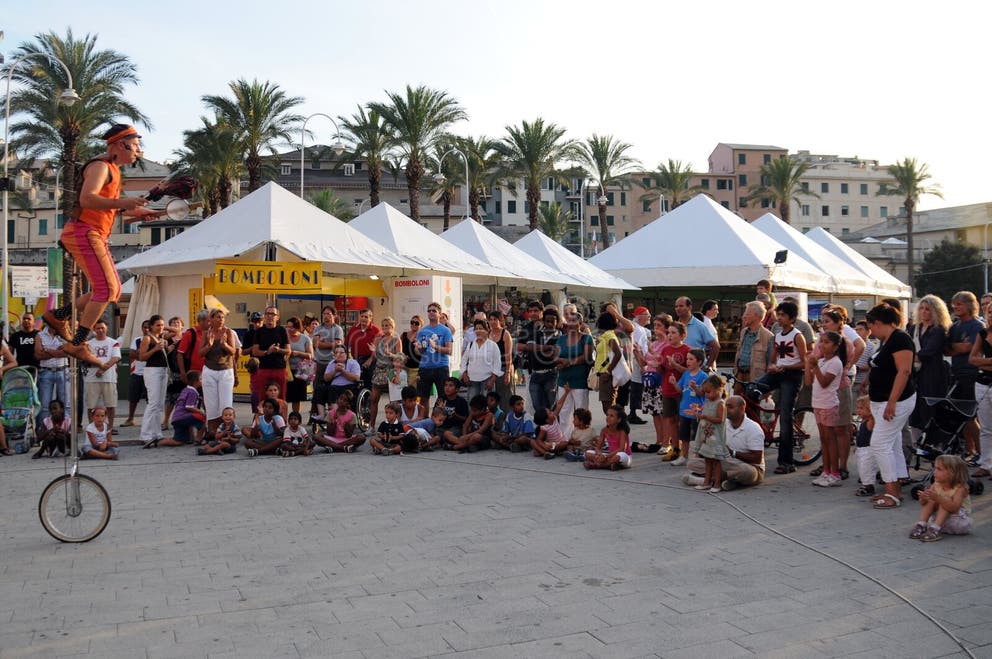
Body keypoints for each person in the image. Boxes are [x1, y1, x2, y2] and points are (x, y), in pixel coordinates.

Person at [44, 125, 154, 367]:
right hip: (86, 232)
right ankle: (78, 342)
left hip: (91, 233)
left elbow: (108, 205)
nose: (138, 150)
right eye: (135, 145)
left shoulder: (112, 169)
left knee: (111, 291)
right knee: (105, 289)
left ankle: (59, 315)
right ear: (120, 144)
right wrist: (124, 201)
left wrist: (138, 212)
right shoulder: (101, 166)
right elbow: (87, 198)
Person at [865, 303, 916, 510]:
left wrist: (892, 402)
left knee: (879, 443)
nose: (871, 330)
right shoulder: (886, 341)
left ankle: (892, 492)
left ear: (878, 323)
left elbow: (903, 372)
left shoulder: (901, 339)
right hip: (882, 399)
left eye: (872, 326)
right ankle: (896, 483)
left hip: (895, 400)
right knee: (891, 443)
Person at [753, 301, 808, 474]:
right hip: (778, 372)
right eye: (779, 314)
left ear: (791, 318)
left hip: (791, 376)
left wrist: (786, 367)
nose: (779, 317)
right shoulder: (777, 334)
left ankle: (786, 461)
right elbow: (774, 356)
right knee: (752, 389)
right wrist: (771, 366)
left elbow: (804, 362)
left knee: (786, 416)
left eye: (783, 315)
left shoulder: (797, 336)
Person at [683, 395, 765, 490]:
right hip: (726, 463)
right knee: (693, 463)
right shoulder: (723, 423)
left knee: (748, 472)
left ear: (742, 409)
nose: (726, 410)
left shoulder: (753, 428)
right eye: (725, 406)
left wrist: (732, 452)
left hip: (749, 466)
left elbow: (757, 459)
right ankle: (728, 481)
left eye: (730, 407)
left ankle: (707, 480)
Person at [806, 331, 847, 487]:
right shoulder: (821, 361)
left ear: (836, 347)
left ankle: (835, 473)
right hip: (817, 403)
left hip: (829, 404)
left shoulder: (836, 362)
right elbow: (809, 382)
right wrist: (808, 364)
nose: (822, 345)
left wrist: (815, 366)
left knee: (830, 439)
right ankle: (826, 471)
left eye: (826, 342)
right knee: (823, 439)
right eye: (821, 342)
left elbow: (824, 382)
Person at [910, 295, 950, 437]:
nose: (924, 312)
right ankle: (917, 440)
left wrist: (909, 357)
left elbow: (929, 352)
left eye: (928, 309)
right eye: (921, 308)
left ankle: (931, 441)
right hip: (915, 374)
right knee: (915, 409)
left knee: (930, 409)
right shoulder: (914, 328)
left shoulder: (938, 330)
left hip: (932, 373)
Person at [908, 455, 972, 541]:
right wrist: (924, 498)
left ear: (952, 473)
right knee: (931, 500)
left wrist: (938, 498)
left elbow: (954, 508)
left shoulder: (960, 488)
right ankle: (921, 525)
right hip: (938, 520)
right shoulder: (936, 484)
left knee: (945, 500)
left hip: (957, 522)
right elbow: (923, 504)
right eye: (935, 468)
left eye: (939, 469)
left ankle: (935, 529)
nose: (935, 472)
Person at [554, 312, 594, 440]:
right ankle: (565, 439)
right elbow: (555, 356)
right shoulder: (561, 339)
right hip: (563, 380)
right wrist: (559, 362)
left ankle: (583, 439)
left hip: (580, 380)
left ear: (580, 324)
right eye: (569, 321)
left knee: (581, 411)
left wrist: (568, 362)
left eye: (573, 321)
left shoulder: (586, 338)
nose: (570, 324)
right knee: (564, 411)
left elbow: (587, 357)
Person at [199, 308, 238, 436]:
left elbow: (233, 352)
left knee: (226, 403)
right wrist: (209, 346)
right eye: (218, 317)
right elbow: (200, 353)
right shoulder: (206, 333)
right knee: (211, 405)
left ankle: (226, 432)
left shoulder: (228, 332)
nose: (221, 320)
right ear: (211, 319)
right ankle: (212, 432)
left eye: (222, 317)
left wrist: (224, 345)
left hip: (226, 370)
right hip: (209, 370)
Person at [657, 322, 690, 461]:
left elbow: (689, 371)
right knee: (671, 421)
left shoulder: (687, 350)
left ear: (682, 335)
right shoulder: (665, 350)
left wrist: (675, 365)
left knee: (683, 421)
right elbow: (662, 370)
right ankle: (675, 448)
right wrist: (657, 364)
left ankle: (685, 450)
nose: (670, 335)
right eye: (668, 333)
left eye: (673, 333)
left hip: (681, 391)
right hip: (667, 390)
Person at [691, 373, 729, 492]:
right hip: (706, 436)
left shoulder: (720, 404)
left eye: (708, 392)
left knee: (716, 461)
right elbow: (703, 411)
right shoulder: (708, 401)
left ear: (718, 390)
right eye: (705, 392)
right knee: (707, 460)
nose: (706, 395)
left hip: (715, 437)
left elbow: (719, 419)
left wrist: (705, 416)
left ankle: (717, 483)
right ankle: (706, 482)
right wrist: (697, 411)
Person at [137, 315, 171, 447]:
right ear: (151, 326)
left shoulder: (161, 338)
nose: (161, 327)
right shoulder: (147, 338)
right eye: (158, 325)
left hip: (163, 370)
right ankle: (145, 434)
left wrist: (163, 329)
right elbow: (141, 357)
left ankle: (156, 433)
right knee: (153, 403)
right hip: (152, 371)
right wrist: (155, 349)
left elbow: (176, 332)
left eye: (162, 325)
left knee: (159, 404)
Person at [670, 349, 707, 467]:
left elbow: (703, 393)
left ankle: (698, 457)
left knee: (697, 435)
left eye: (691, 359)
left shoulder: (703, 376)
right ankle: (684, 456)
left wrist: (695, 388)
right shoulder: (686, 374)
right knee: (684, 435)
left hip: (697, 412)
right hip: (684, 410)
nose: (688, 361)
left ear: (699, 362)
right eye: (687, 359)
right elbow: (680, 390)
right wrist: (674, 383)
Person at [148, 370, 204, 448]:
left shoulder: (186, 390)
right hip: (183, 417)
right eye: (201, 379)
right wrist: (200, 411)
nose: (202, 381)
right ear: (195, 381)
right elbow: (188, 407)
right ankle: (198, 440)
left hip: (177, 418)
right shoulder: (192, 392)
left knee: (178, 441)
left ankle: (158, 442)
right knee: (202, 419)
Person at [84, 319, 121, 436]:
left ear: (107, 328)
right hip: (92, 378)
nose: (100, 330)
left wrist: (103, 369)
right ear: (94, 330)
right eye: (98, 328)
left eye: (102, 328)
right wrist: (99, 366)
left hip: (109, 378)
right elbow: (87, 358)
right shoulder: (89, 344)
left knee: (110, 404)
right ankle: (92, 428)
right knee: (91, 405)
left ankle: (110, 427)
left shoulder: (113, 342)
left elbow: (115, 358)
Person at [522, 307, 561, 415]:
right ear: (543, 321)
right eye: (547, 321)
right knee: (537, 407)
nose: (549, 324)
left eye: (552, 321)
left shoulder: (560, 337)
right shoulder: (536, 333)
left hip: (551, 375)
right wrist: (547, 348)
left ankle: (552, 431)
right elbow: (529, 347)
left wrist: (538, 347)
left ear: (557, 322)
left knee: (551, 406)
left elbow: (554, 355)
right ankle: (542, 430)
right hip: (535, 374)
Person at [248, 306, 290, 407]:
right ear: (265, 316)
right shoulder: (259, 332)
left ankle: (281, 421)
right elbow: (255, 351)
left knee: (281, 397)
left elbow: (288, 350)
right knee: (262, 396)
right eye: (268, 314)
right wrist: (268, 352)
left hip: (279, 368)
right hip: (263, 368)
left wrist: (278, 350)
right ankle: (263, 420)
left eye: (273, 314)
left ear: (278, 317)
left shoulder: (282, 331)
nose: (270, 316)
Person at [415, 302, 454, 409]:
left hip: (441, 367)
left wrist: (435, 346)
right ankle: (424, 420)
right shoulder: (422, 331)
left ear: (439, 314)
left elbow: (450, 350)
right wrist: (418, 348)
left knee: (443, 396)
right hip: (425, 367)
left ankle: (438, 420)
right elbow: (418, 352)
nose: (431, 313)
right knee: (423, 397)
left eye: (434, 311)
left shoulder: (445, 330)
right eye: (429, 311)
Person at [968, 313, 992, 479]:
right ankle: (986, 464)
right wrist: (989, 362)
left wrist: (982, 362)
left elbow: (977, 360)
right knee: (985, 428)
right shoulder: (983, 333)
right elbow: (972, 359)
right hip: (982, 384)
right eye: (989, 312)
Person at [312, 306, 345, 422]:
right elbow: (316, 344)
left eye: (329, 314)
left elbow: (337, 344)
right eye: (324, 314)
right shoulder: (318, 328)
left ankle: (333, 415)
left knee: (332, 389)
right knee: (317, 389)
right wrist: (329, 344)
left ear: (334, 315)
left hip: (333, 363)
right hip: (319, 362)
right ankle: (315, 414)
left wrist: (323, 343)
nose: (326, 316)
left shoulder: (338, 329)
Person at [368, 317, 401, 430]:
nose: (385, 328)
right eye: (383, 326)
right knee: (374, 398)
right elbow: (376, 357)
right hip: (379, 370)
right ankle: (371, 426)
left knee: (393, 402)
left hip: (391, 371)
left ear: (392, 327)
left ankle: (393, 426)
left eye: (387, 325)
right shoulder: (378, 340)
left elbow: (399, 357)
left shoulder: (396, 340)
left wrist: (389, 354)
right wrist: (373, 352)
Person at [35, 320, 70, 426]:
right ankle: (44, 429)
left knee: (66, 404)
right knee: (45, 405)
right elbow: (38, 355)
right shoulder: (39, 335)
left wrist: (48, 351)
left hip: (63, 371)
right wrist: (59, 352)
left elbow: (69, 352)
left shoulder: (66, 335)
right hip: (46, 371)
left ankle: (66, 428)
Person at [733, 301, 773, 394]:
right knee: (736, 405)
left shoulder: (768, 336)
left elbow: (770, 362)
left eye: (747, 313)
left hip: (755, 378)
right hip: (739, 376)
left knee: (752, 406)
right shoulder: (744, 332)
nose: (744, 316)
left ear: (756, 316)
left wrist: (767, 389)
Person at [460, 319, 503, 401]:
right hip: (472, 379)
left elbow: (497, 364)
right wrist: (464, 374)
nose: (478, 331)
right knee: (472, 404)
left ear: (487, 330)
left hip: (487, 379)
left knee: (488, 405)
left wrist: (492, 379)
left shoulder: (493, 345)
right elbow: (464, 360)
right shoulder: (471, 344)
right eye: (476, 329)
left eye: (481, 328)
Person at [673, 297, 719, 371]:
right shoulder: (673, 326)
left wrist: (707, 366)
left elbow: (716, 347)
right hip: (677, 371)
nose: (678, 308)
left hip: (696, 373)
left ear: (689, 307)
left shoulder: (700, 326)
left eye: (681, 306)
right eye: (676, 306)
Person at [584, 405, 632, 470]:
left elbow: (621, 449)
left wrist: (606, 456)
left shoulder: (622, 431)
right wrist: (599, 454)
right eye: (607, 415)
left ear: (619, 420)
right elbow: (598, 447)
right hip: (610, 456)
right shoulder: (604, 430)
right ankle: (611, 465)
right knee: (587, 453)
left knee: (620, 456)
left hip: (624, 457)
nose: (608, 417)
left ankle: (598, 465)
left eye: (611, 416)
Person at [593, 311, 623, 414]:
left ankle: (615, 427)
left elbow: (617, 354)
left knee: (608, 406)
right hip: (603, 373)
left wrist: (608, 372)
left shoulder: (609, 335)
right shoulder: (606, 335)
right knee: (607, 405)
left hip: (607, 375)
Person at [122, 319, 149, 427]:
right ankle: (130, 418)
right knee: (133, 397)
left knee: (150, 399)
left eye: (148, 327)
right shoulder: (137, 340)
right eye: (144, 327)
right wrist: (143, 355)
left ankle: (148, 419)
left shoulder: (155, 340)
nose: (146, 329)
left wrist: (141, 354)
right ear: (142, 328)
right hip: (137, 373)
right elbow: (132, 353)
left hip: (150, 373)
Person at [487, 311, 515, 415]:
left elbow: (508, 354)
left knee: (505, 396)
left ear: (500, 321)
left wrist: (507, 372)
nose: (493, 322)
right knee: (491, 396)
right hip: (490, 369)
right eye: (491, 319)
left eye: (495, 319)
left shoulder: (505, 334)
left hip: (503, 368)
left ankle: (507, 419)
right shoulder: (488, 334)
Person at [285, 316, 314, 415]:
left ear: (297, 327)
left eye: (291, 327)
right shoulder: (284, 337)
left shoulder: (305, 339)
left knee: (297, 398)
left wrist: (298, 353)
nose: (289, 329)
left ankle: (295, 416)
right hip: (287, 370)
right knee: (285, 396)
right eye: (287, 327)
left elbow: (311, 355)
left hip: (300, 372)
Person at [627, 306, 651, 424]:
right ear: (639, 316)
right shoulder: (637, 329)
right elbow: (635, 348)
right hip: (637, 362)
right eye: (647, 314)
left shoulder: (640, 328)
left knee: (637, 388)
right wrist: (642, 366)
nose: (649, 316)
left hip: (639, 361)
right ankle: (633, 413)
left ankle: (633, 413)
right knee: (636, 388)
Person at [531, 386, 570, 459]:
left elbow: (559, 404)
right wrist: (545, 446)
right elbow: (538, 440)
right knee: (532, 442)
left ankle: (544, 452)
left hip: (559, 443)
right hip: (550, 445)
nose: (552, 412)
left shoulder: (554, 417)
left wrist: (566, 393)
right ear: (547, 420)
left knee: (565, 443)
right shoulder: (544, 427)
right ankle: (546, 453)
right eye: (550, 413)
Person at [347, 309, 381, 389]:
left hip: (369, 361)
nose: (363, 318)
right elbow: (346, 344)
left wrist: (370, 359)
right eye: (362, 316)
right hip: (355, 360)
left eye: (366, 317)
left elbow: (377, 348)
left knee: (368, 384)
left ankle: (368, 400)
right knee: (355, 384)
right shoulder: (353, 329)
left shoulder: (376, 331)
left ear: (371, 318)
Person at [853, 395, 878, 497]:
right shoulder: (863, 420)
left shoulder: (871, 421)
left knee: (866, 467)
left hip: (868, 449)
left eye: (861, 408)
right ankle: (866, 481)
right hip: (861, 448)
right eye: (858, 408)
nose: (858, 411)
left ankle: (868, 486)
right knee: (862, 466)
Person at [433, 377, 469, 445]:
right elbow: (433, 416)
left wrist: (456, 416)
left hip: (456, 427)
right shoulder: (441, 399)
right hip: (442, 427)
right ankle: (449, 443)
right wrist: (439, 411)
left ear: (457, 389)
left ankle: (463, 444)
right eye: (446, 385)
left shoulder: (462, 401)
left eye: (450, 385)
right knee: (435, 435)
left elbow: (466, 419)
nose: (447, 388)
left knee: (447, 434)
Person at [400, 313, 423, 393]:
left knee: (414, 392)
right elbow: (399, 350)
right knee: (404, 391)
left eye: (416, 323)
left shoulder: (422, 337)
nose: (414, 324)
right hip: (404, 368)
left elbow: (424, 355)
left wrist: (418, 351)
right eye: (412, 322)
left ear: (421, 325)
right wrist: (403, 357)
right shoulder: (404, 335)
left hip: (416, 368)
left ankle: (416, 405)